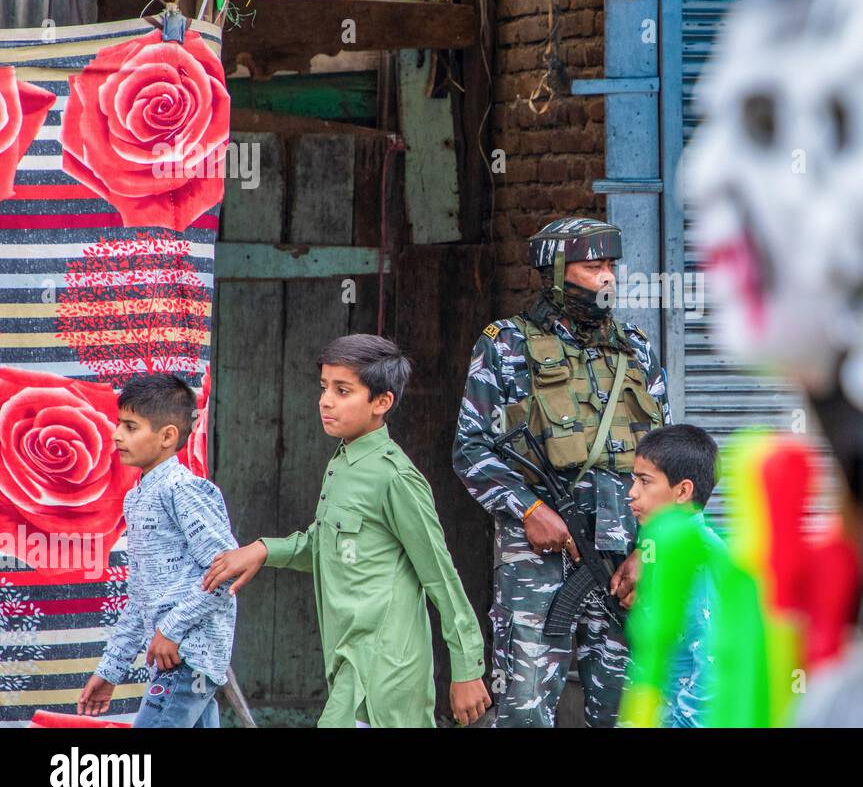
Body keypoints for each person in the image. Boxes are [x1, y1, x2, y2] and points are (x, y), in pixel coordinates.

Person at [202, 334, 491, 727]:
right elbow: (325, 545)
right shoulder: (343, 463)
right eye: (324, 388)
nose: (326, 400)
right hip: (349, 663)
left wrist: (467, 668)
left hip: (384, 672)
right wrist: (263, 550)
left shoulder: (395, 477)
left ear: (381, 402)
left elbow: (440, 576)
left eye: (342, 391)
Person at [453, 217, 670, 726]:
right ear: (555, 272)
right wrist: (529, 508)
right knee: (525, 709)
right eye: (593, 267)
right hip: (537, 561)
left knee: (631, 712)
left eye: (611, 266)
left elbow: (670, 463)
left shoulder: (636, 349)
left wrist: (649, 549)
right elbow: (470, 450)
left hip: (624, 564)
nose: (607, 278)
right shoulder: (505, 345)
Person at [77, 374, 237, 728]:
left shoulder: (185, 490)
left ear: (167, 436)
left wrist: (172, 628)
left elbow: (228, 569)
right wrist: (111, 670)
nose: (117, 434)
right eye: (119, 424)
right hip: (176, 655)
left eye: (131, 426)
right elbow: (140, 598)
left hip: (188, 656)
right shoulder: (137, 498)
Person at [627, 424, 724, 727]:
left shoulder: (698, 556)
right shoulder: (661, 547)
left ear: (682, 491)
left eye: (645, 482)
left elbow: (713, 661)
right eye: (634, 480)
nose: (632, 493)